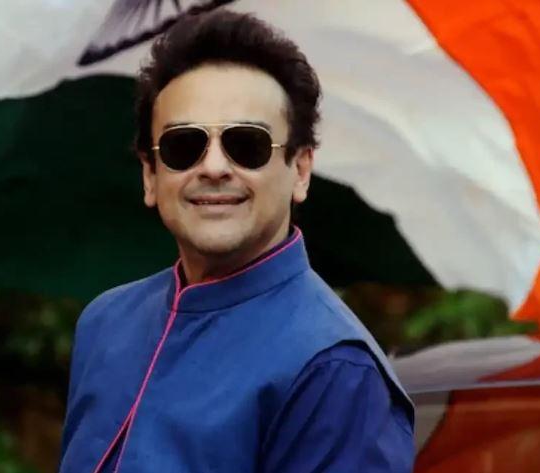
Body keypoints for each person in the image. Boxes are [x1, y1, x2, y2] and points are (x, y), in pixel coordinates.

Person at [59, 9, 414, 473]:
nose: (213, 167)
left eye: (247, 145)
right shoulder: (106, 323)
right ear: (150, 175)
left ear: (300, 170)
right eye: (184, 146)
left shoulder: (334, 368)